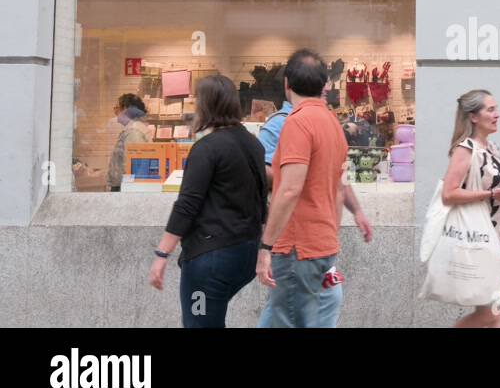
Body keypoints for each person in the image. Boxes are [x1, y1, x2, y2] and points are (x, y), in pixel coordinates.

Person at [255, 69, 373, 328]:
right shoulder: (319, 122)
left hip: (301, 241)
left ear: (288, 84)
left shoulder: (305, 121)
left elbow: (295, 188)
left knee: (286, 314)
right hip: (313, 240)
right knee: (294, 313)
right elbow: (335, 182)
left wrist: (266, 246)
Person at [148, 75, 266, 328]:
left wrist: (161, 254)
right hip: (245, 252)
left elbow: (187, 204)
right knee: (209, 318)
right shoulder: (253, 144)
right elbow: (260, 196)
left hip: (210, 261)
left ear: (206, 105)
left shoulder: (207, 149)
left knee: (199, 322)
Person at [441, 89, 500, 327]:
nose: (497, 114)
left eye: (496, 109)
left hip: (493, 239)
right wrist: (490, 193)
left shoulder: (492, 149)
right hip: (477, 240)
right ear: (474, 117)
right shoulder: (466, 149)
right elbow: (449, 194)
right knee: (495, 311)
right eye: (491, 109)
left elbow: (496, 203)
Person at [107, 93, 151, 191]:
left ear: (126, 109)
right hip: (126, 185)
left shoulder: (134, 132)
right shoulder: (134, 129)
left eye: (117, 108)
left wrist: (128, 188)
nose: (115, 112)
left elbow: (133, 165)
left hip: (126, 187)